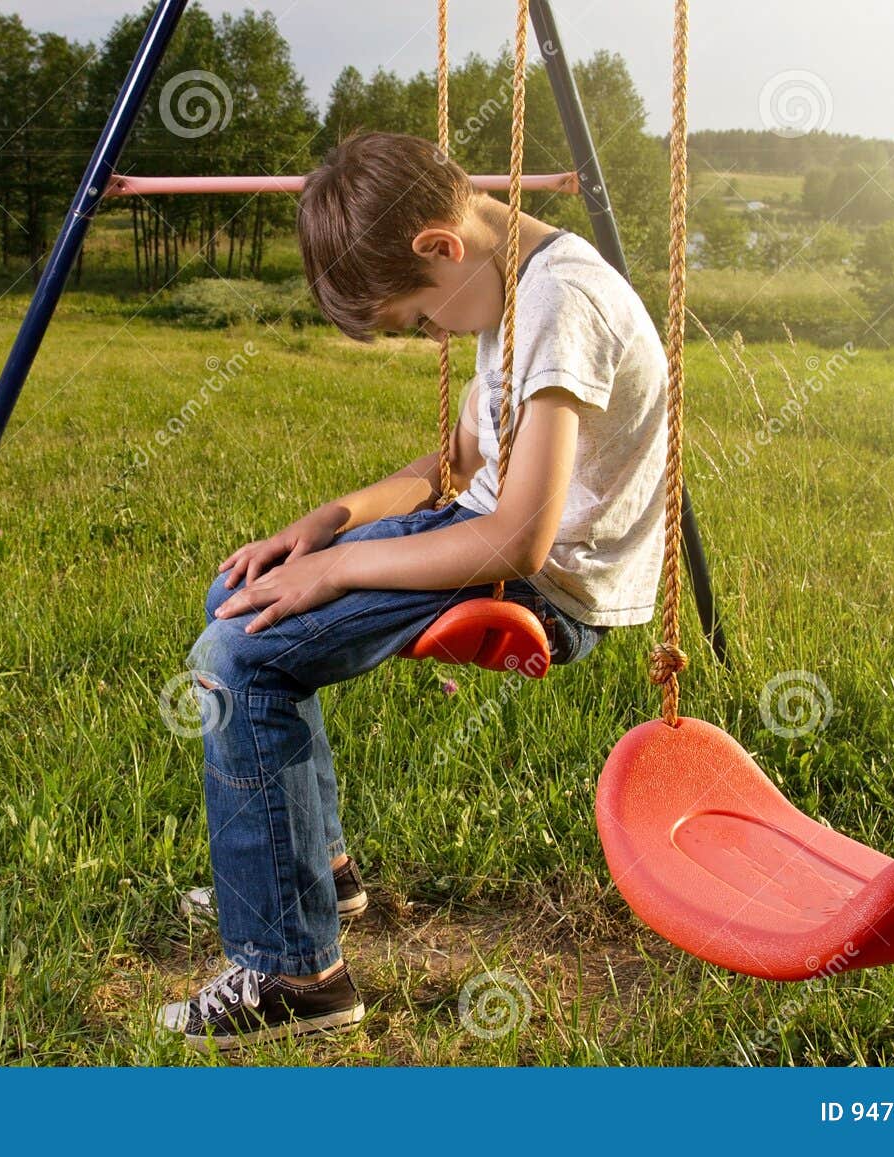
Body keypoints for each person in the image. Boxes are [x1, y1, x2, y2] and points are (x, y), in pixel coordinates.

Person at [157, 132, 668, 1050]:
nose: (434, 336)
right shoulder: (514, 280)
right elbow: (457, 465)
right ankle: (313, 867)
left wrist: (345, 566)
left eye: (417, 320)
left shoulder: (562, 301)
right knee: (239, 591)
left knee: (236, 655)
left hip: (542, 580)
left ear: (441, 246)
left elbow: (517, 532)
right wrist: (332, 521)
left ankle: (293, 974)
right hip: (489, 536)